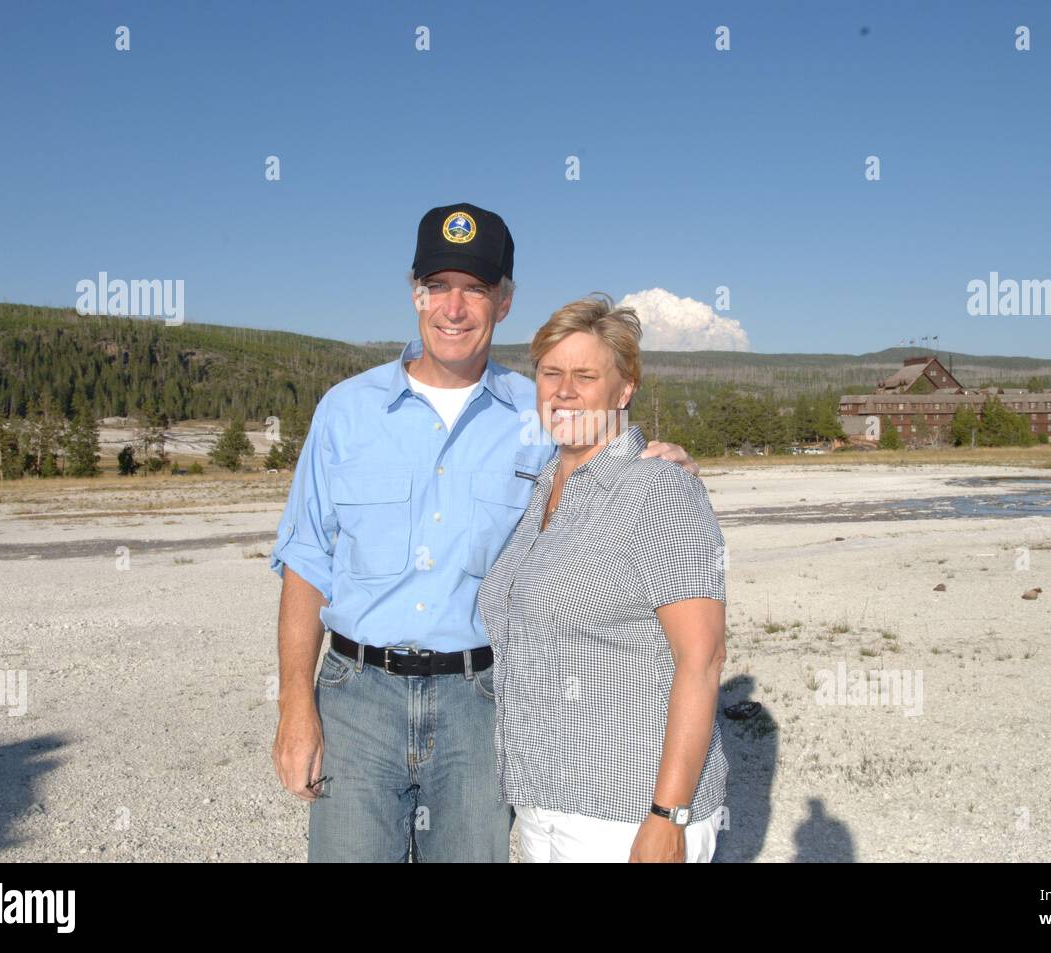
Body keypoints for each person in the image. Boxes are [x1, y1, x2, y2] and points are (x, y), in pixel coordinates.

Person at [268, 203, 697, 862]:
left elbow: (603, 472)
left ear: (504, 301)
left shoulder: (539, 413)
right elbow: (305, 561)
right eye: (437, 285)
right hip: (356, 700)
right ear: (415, 293)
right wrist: (295, 704)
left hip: (481, 703)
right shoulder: (345, 412)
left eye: (475, 288)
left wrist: (659, 460)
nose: (454, 307)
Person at [478, 293, 728, 863]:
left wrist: (667, 816)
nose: (564, 390)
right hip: (544, 803)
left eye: (585, 376)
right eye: (550, 373)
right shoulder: (543, 488)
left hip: (627, 812)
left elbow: (704, 659)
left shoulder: (657, 490)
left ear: (625, 389)